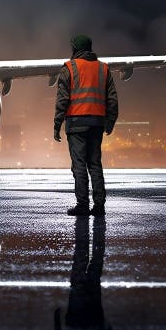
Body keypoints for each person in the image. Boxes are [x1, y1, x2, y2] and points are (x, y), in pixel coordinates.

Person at [54, 35, 118, 216]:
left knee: (79, 165)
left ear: (75, 48)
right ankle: (99, 206)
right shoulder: (103, 69)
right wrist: (110, 122)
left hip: (76, 123)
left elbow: (62, 100)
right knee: (95, 164)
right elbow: (112, 100)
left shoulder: (69, 68)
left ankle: (82, 205)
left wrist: (57, 124)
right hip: (97, 123)